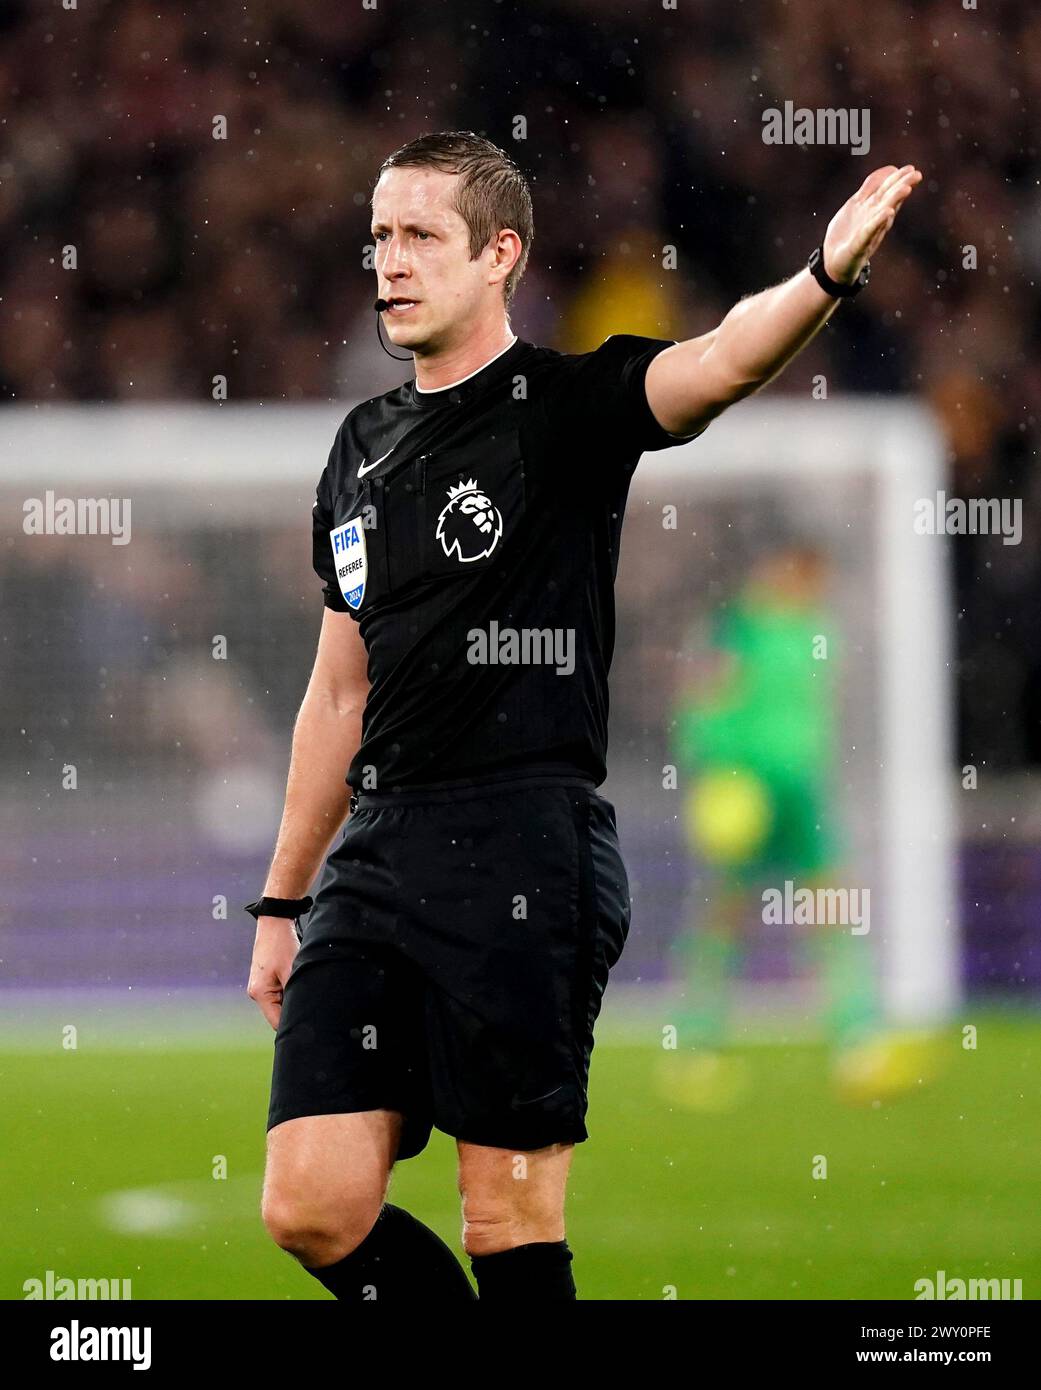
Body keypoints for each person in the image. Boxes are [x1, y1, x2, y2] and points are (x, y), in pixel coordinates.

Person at [243, 130, 921, 1301]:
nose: (388, 263)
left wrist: (823, 275)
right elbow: (337, 692)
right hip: (375, 858)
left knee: (504, 1217)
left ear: (500, 253)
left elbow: (713, 365)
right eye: (379, 237)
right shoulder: (357, 449)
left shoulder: (562, 410)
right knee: (309, 1205)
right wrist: (281, 897)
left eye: (418, 237)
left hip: (524, 845)